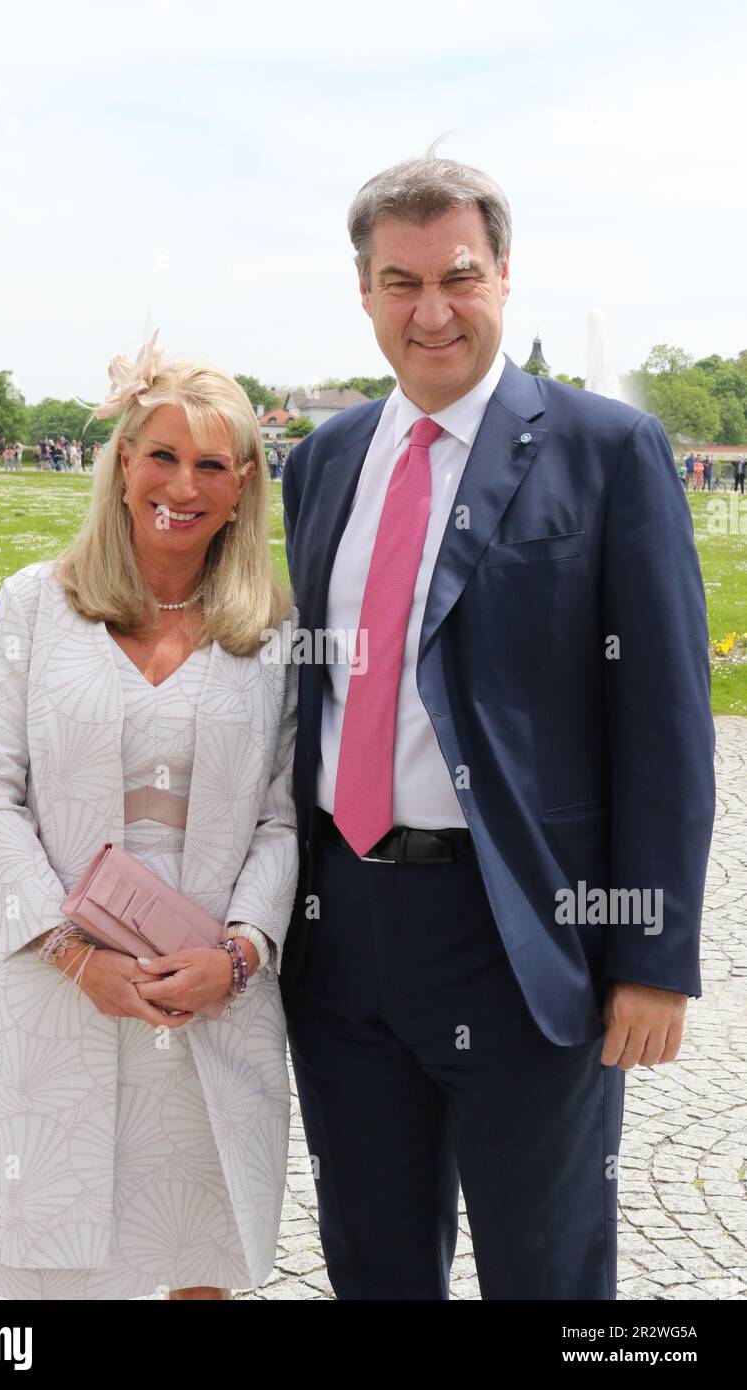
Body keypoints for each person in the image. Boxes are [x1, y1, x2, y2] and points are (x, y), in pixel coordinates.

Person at [279, 153, 715, 1301]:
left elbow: (666, 720)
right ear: (363, 290)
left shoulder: (607, 451)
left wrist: (652, 958)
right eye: (400, 281)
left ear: (504, 277)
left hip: (520, 928)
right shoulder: (320, 464)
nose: (431, 311)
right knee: (371, 1262)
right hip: (343, 933)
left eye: (458, 277)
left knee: (546, 1269)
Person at [0, 334, 299, 1301]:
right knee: (47, 1272)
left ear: (241, 487)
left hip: (209, 1003)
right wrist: (72, 951)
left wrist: (238, 955)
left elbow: (283, 822)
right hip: (55, 991)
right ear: (119, 468)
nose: (180, 485)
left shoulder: (273, 630)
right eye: (161, 454)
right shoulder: (35, 604)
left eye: (209, 464)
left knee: (200, 1268)